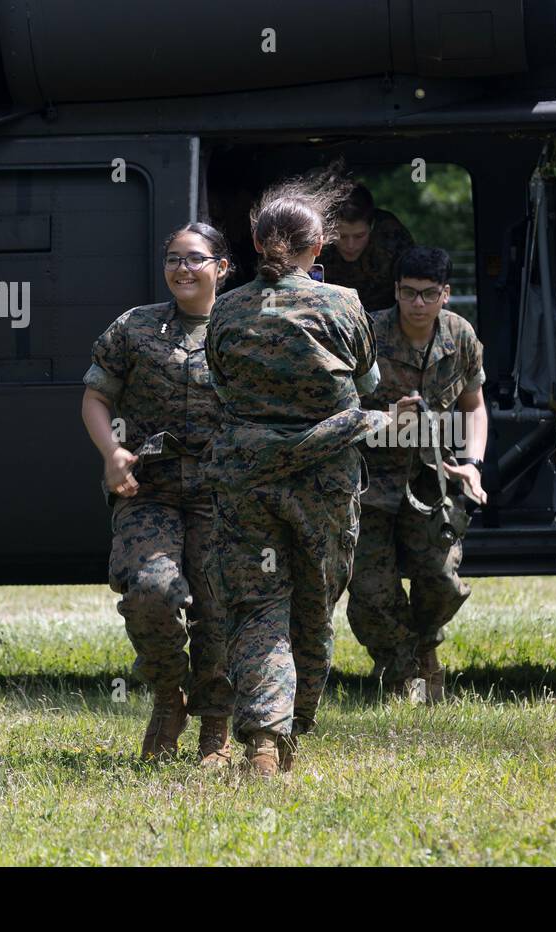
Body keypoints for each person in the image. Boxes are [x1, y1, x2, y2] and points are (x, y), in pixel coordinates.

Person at [205, 173, 419, 777]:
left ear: (255, 241)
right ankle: (294, 723)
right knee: (315, 604)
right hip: (324, 481)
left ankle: (264, 740)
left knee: (256, 605)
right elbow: (369, 387)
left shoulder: (225, 311)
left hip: (246, 481)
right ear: (317, 245)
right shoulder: (343, 306)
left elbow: (221, 389)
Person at [80, 222, 235, 764]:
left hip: (223, 493)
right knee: (150, 591)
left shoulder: (245, 328)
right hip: (150, 489)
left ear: (222, 267)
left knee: (218, 610)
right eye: (172, 258)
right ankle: (169, 699)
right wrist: (112, 453)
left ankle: (216, 726)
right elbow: (96, 398)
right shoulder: (137, 327)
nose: (181, 269)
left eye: (194, 259)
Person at [347, 246, 488, 702]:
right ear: (396, 291)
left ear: (446, 294)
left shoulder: (460, 336)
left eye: (429, 294)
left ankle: (425, 645)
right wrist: (388, 416)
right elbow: (340, 405)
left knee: (441, 579)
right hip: (369, 478)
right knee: (370, 588)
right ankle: (401, 667)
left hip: (432, 477)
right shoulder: (368, 332)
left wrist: (473, 464)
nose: (418, 303)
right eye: (409, 293)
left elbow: (475, 407)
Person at [319, 183, 415, 312]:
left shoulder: (392, 237)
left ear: (372, 226)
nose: (350, 245)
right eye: (342, 236)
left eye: (359, 236)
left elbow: (413, 287)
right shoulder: (318, 239)